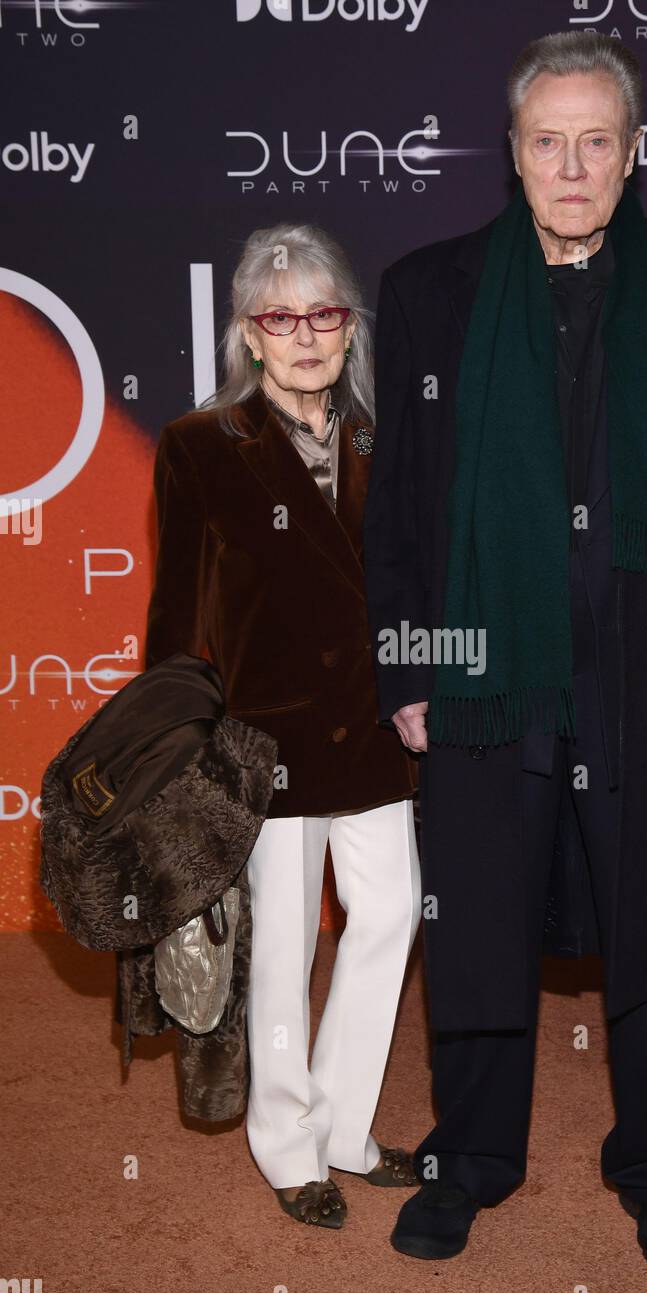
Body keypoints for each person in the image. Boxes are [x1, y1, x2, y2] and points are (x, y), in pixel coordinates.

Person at [363, 31, 647, 1268]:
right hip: (488, 670)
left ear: (634, 154)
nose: (572, 165)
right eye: (549, 141)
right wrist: (412, 670)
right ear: (514, 154)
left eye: (598, 141)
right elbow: (401, 508)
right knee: (476, 911)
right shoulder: (430, 289)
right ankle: (468, 1158)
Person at [144, 222, 422, 1228]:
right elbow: (176, 607)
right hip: (264, 735)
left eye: (323, 313)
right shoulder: (198, 447)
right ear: (249, 337)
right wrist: (175, 737)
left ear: (348, 330)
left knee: (390, 914)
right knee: (282, 945)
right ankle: (289, 1143)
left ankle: (346, 1124)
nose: (305, 334)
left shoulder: (386, 441)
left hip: (376, 723)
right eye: (280, 317)